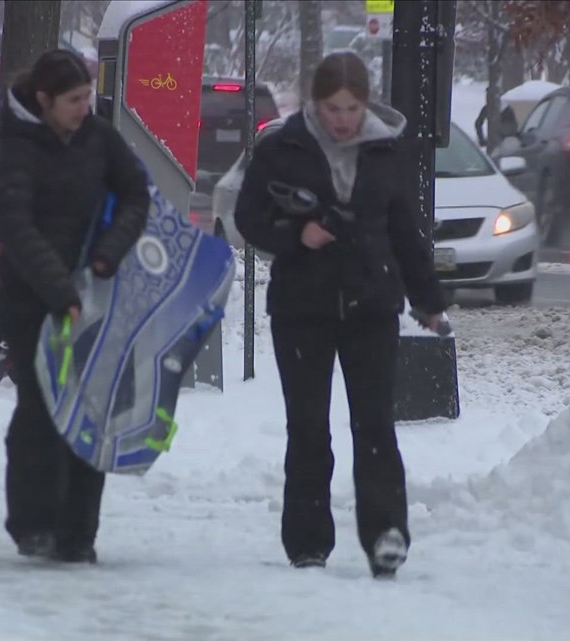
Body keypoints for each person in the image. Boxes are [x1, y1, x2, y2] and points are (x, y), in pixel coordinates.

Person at [232, 51, 447, 579]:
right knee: (308, 427)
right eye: (333, 107)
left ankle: (385, 537)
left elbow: (406, 230)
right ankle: (307, 542)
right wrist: (295, 235)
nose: (343, 119)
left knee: (374, 424)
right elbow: (248, 217)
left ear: (365, 104)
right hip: (302, 306)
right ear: (315, 104)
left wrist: (427, 299)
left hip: (371, 304)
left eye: (352, 107)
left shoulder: (385, 150)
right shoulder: (284, 147)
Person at [0, 49, 149, 564]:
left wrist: (108, 256)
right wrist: (60, 292)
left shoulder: (99, 138)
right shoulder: (19, 145)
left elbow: (135, 195)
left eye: (87, 97)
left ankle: (79, 533)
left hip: (94, 294)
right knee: (40, 411)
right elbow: (14, 224)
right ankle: (33, 523)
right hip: (33, 299)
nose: (85, 107)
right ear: (45, 101)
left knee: (90, 411)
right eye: (74, 100)